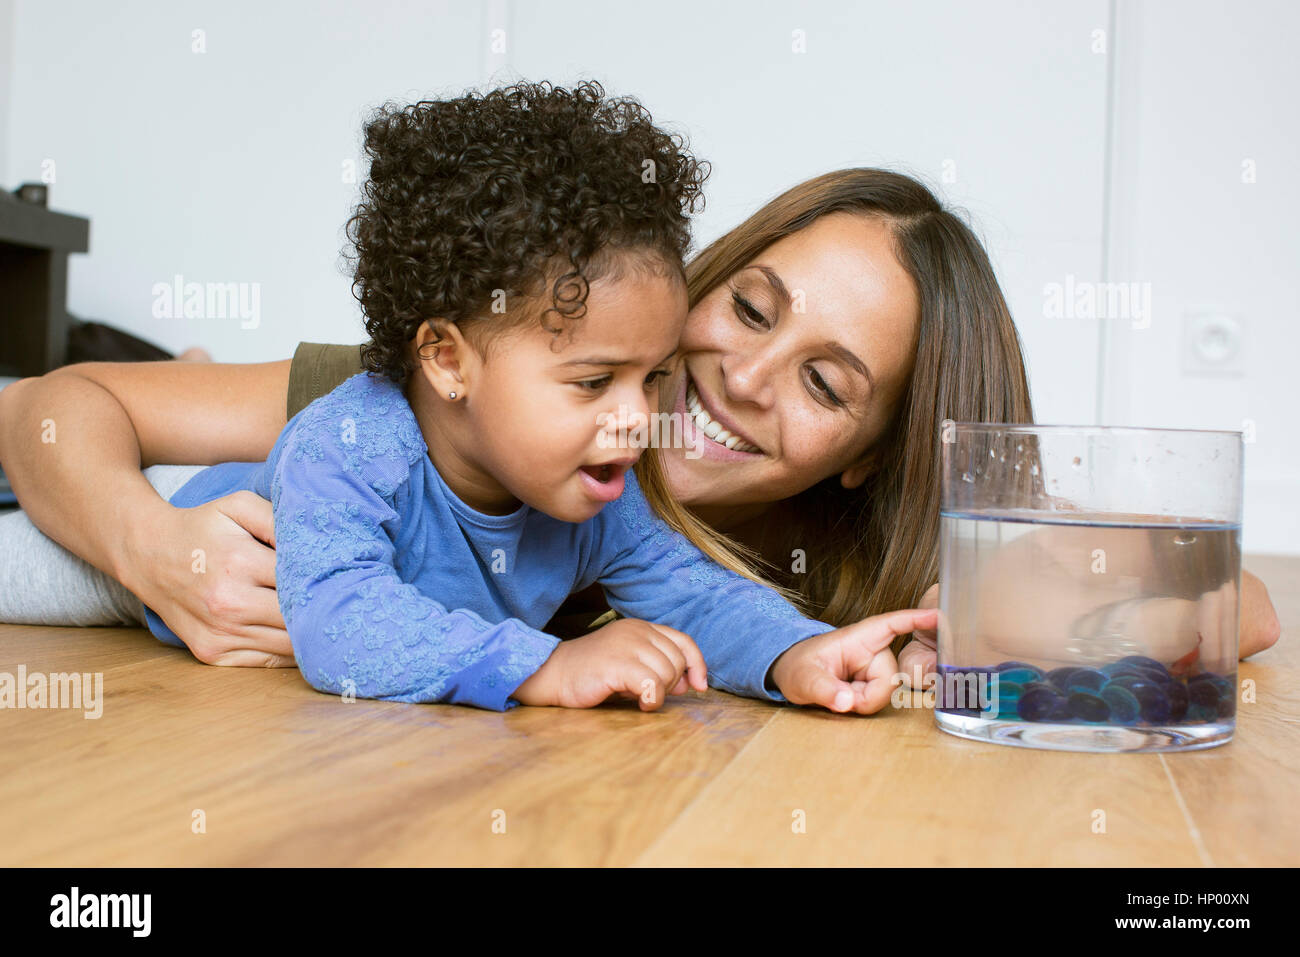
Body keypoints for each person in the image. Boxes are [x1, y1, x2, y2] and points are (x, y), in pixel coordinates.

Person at [0, 163, 1279, 693]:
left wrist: (1057, 584)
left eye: (827, 384)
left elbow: (1242, 609)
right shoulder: (450, 407)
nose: (740, 377)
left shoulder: (830, 571)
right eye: (751, 306)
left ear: (878, 450)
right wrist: (152, 553)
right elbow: (55, 412)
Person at [0, 81, 936, 714]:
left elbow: (694, 592)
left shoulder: (604, 487)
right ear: (447, 360)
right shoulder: (358, 437)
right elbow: (340, 625)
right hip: (130, 566)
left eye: (648, 376)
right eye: (592, 380)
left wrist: (794, 656)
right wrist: (545, 665)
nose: (637, 412)